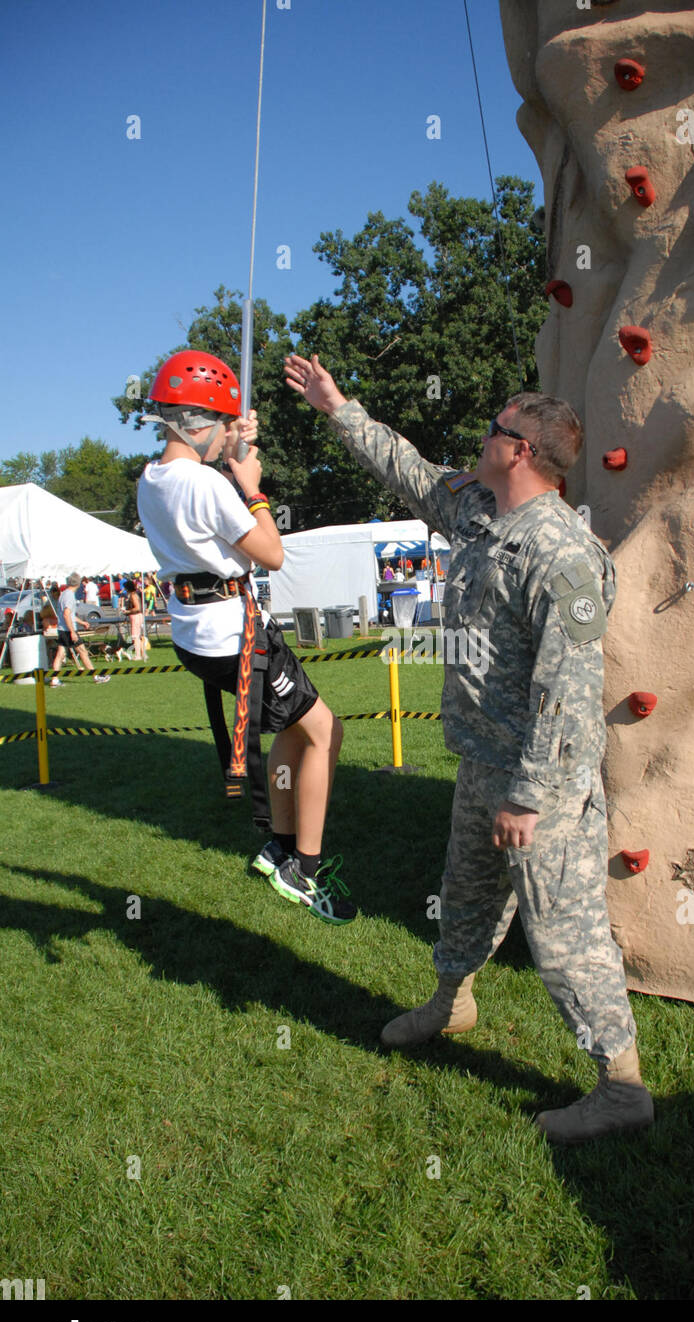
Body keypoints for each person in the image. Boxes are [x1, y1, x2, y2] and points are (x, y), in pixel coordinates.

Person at [283, 351, 653, 1144]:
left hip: (537, 785)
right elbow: (409, 471)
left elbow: (569, 690)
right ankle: (452, 1005)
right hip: (481, 763)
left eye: (496, 429)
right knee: (466, 898)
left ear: (521, 450)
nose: (483, 436)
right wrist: (335, 406)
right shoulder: (478, 510)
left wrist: (529, 795)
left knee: (565, 935)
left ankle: (620, 1085)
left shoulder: (562, 553)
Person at [136, 348, 354, 923]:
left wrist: (232, 447)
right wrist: (251, 484)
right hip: (235, 635)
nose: (233, 432)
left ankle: (280, 844)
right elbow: (272, 553)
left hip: (197, 634)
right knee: (326, 733)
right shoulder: (206, 486)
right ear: (199, 424)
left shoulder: (152, 480)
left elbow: (206, 514)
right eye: (225, 422)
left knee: (290, 727)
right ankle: (303, 868)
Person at [49, 573, 111, 686]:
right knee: (83, 652)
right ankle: (96, 676)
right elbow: (67, 614)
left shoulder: (63, 594)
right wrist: (72, 631)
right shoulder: (69, 596)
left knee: (60, 654)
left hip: (62, 629)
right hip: (68, 630)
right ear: (77, 584)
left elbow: (70, 615)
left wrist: (82, 622)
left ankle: (54, 679)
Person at [123, 579, 146, 660]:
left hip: (135, 616)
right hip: (137, 616)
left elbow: (137, 608)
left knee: (135, 637)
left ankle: (138, 655)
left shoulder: (133, 595)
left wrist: (127, 611)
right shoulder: (134, 594)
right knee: (138, 636)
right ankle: (143, 654)